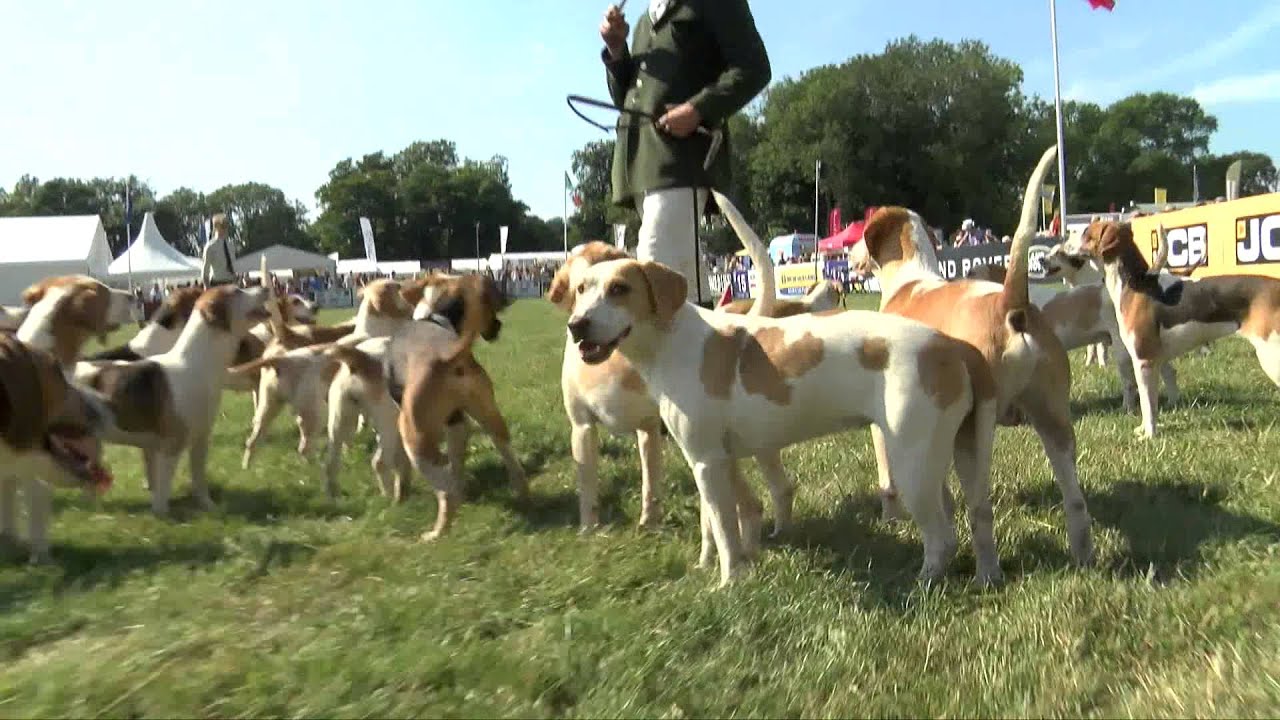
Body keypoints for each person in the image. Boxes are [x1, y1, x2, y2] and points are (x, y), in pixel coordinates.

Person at [599, 0, 771, 306]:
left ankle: (671, 353)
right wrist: (616, 51)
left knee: (655, 264)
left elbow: (755, 68)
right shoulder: (641, 22)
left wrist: (698, 109)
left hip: (684, 158)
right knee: (682, 282)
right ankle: (712, 351)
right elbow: (625, 97)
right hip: (641, 161)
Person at [202, 213, 236, 287]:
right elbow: (205, 272)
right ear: (216, 227)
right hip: (217, 284)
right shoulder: (210, 246)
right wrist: (207, 290)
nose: (226, 228)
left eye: (227, 225)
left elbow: (233, 265)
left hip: (231, 284)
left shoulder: (231, 245)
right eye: (223, 225)